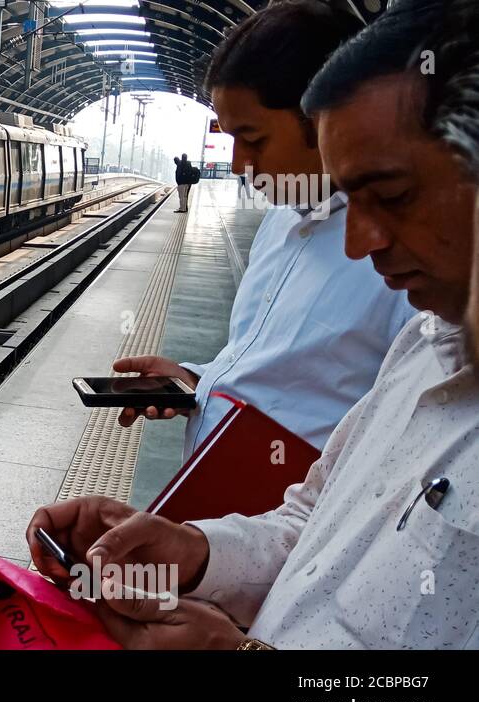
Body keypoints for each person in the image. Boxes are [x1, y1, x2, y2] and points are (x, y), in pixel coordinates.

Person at [28, 0, 479, 650]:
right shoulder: (424, 345)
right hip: (229, 501)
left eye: (393, 195)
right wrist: (196, 549)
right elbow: (316, 519)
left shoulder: (415, 295)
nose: (360, 242)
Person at [114, 0, 416, 464]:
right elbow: (271, 368)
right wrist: (200, 381)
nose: (239, 164)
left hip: (297, 520)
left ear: (327, 118)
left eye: (253, 139)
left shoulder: (411, 265)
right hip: (224, 512)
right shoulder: (278, 223)